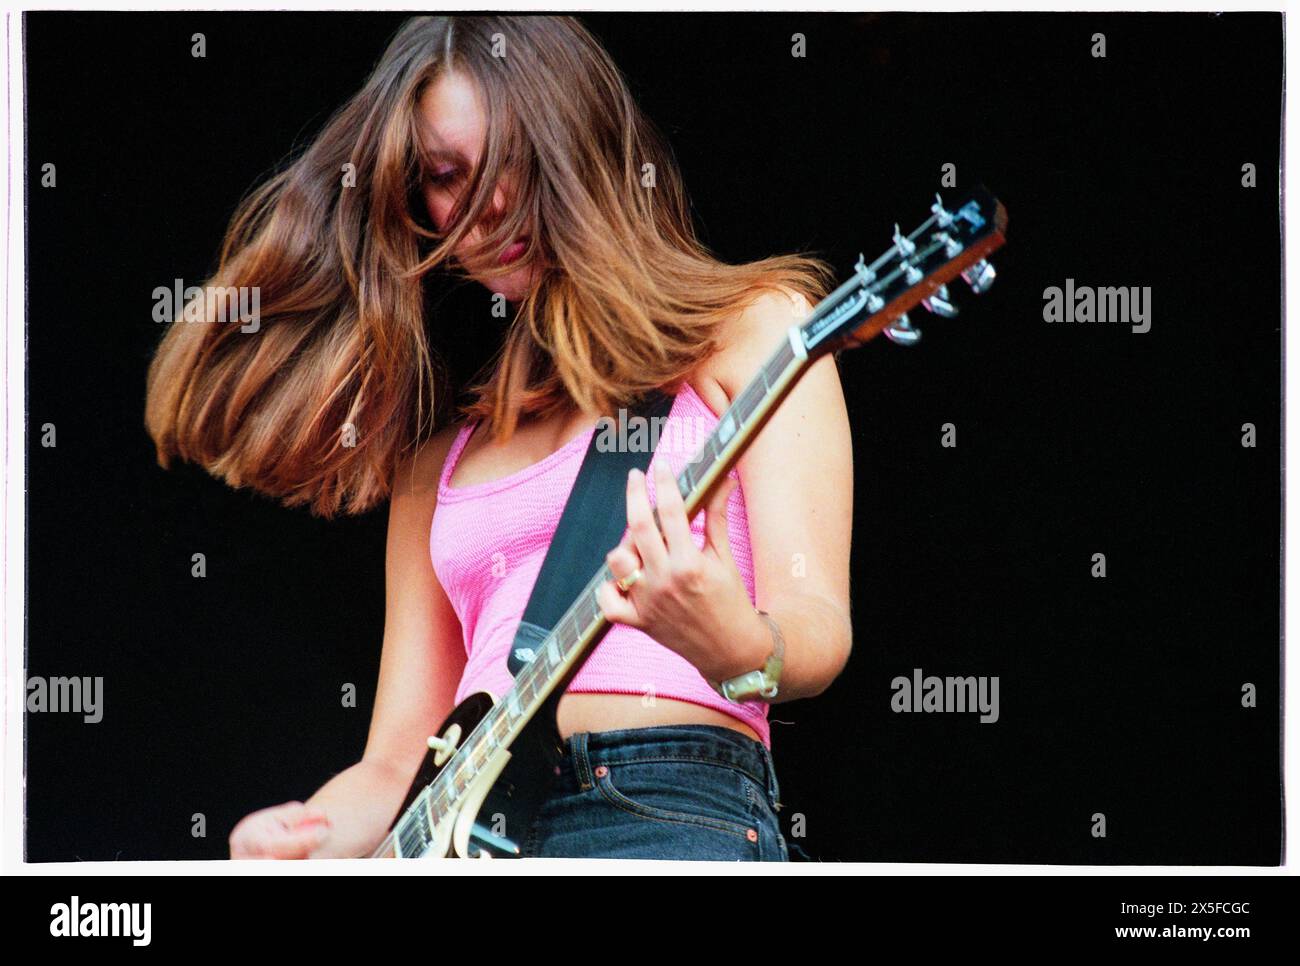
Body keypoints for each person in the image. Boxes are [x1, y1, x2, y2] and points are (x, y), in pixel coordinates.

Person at [146, 14, 853, 861]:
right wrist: (308, 835)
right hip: (463, 834)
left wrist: (735, 642)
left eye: (515, 161)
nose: (489, 208)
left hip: (662, 802)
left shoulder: (753, 331)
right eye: (447, 176)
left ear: (582, 142)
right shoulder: (437, 459)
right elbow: (395, 763)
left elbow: (816, 628)